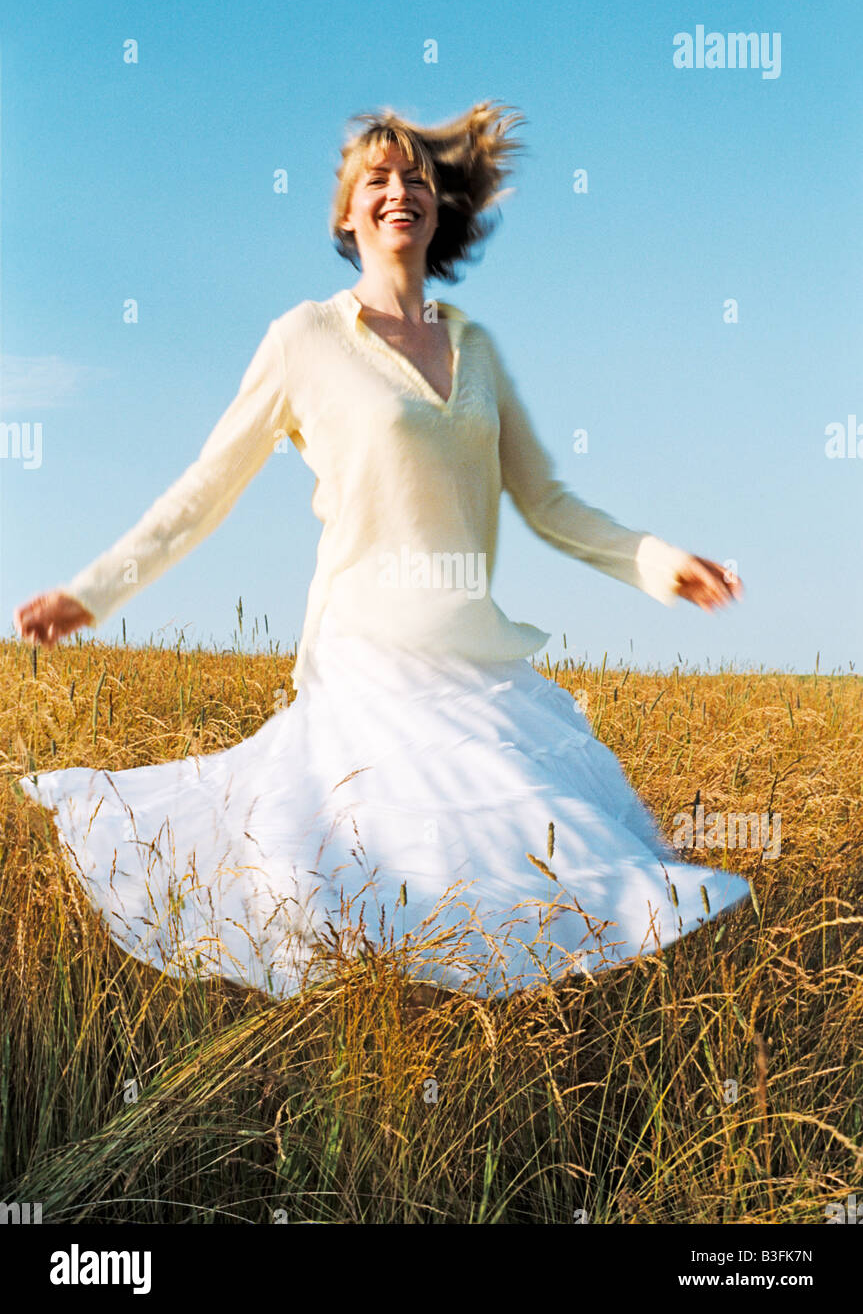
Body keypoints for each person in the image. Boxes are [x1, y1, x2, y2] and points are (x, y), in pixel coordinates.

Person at [13, 100, 750, 998]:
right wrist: (92, 592)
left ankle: (483, 1068)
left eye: (415, 179)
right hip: (367, 651)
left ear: (437, 212)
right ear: (345, 214)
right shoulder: (305, 339)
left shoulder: (472, 347)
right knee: (384, 870)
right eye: (376, 178)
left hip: (477, 656)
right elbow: (204, 490)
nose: (398, 190)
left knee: (557, 859)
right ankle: (369, 1053)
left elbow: (546, 500)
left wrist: (653, 560)